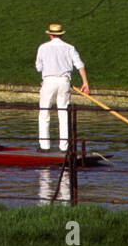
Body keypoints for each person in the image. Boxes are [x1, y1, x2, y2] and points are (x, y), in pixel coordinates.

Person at [35, 23, 89, 151]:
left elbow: (38, 67)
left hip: (48, 81)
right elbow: (80, 65)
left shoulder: (43, 47)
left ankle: (45, 146)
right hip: (64, 82)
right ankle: (64, 147)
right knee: (64, 114)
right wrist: (85, 82)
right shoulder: (69, 48)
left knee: (44, 113)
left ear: (49, 34)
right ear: (62, 34)